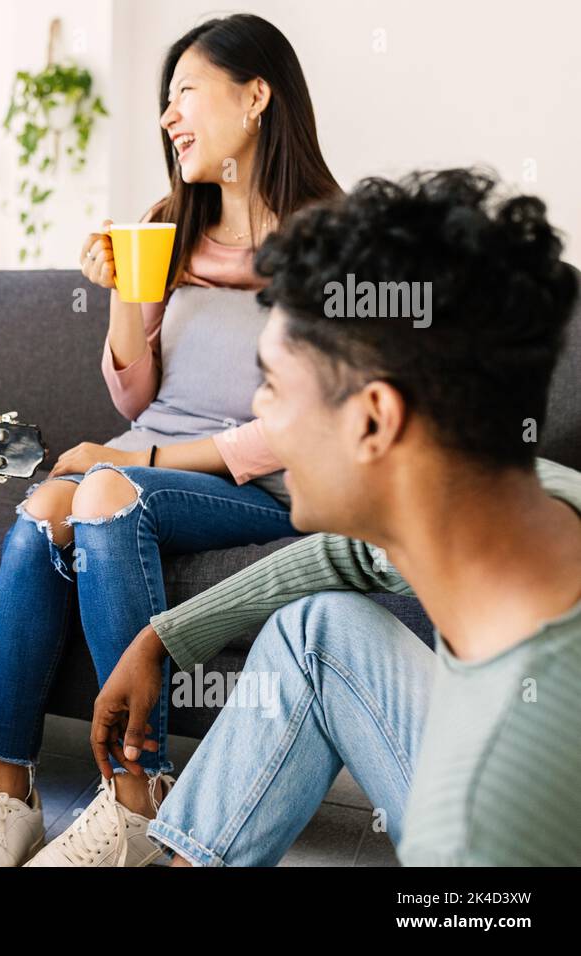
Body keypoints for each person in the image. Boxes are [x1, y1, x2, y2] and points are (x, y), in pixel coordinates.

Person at [93, 168, 581, 866]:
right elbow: (344, 557)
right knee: (316, 628)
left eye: (273, 386)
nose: (258, 412)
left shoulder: (482, 826)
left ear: (375, 421)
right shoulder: (528, 498)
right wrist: (162, 639)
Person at [0, 14, 339, 867]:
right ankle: (7, 791)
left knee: (102, 490)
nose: (169, 118)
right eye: (166, 103)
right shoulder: (170, 223)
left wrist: (136, 461)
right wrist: (127, 291)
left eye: (185, 93)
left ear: (258, 94)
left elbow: (294, 429)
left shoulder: (331, 243)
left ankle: (138, 792)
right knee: (44, 503)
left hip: (261, 485)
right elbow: (135, 393)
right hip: (147, 457)